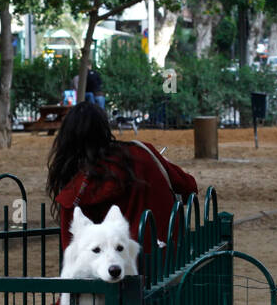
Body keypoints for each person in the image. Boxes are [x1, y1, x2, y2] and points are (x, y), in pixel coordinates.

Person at [45, 100, 196, 253]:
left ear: (66, 140)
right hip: (168, 260)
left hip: (120, 265)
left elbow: (74, 253)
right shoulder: (143, 152)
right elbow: (189, 188)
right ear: (105, 129)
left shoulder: (77, 190)